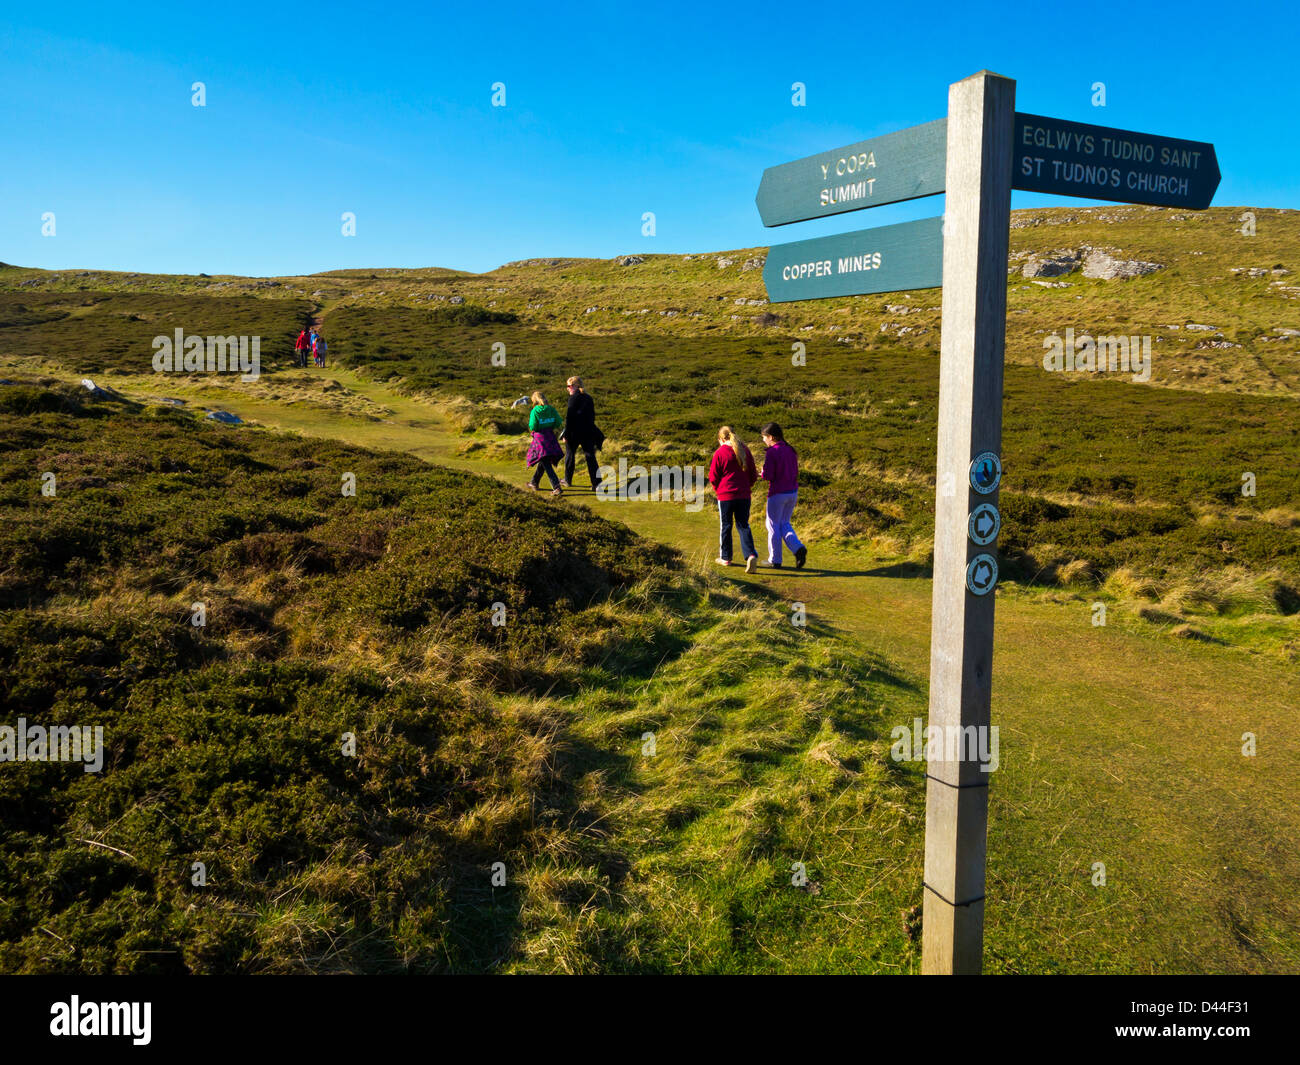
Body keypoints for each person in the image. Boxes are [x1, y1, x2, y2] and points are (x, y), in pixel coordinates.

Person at [707, 425, 758, 573]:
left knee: (726, 525)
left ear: (721, 439)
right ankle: (750, 555)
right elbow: (753, 474)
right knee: (743, 525)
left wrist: (718, 490)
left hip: (726, 496)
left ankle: (725, 557)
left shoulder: (720, 452)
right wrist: (747, 487)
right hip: (743, 495)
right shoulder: (745, 450)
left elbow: (713, 477)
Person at [758, 421, 806, 569]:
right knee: (784, 523)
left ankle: (775, 559)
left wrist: (762, 473)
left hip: (777, 492)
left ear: (771, 437)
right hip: (792, 491)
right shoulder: (790, 450)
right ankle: (798, 548)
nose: (764, 440)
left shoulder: (772, 452)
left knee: (772, 525)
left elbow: (769, 475)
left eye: (764, 437)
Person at [559, 376, 602, 489]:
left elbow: (569, 418)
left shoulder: (573, 398)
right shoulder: (588, 398)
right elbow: (592, 416)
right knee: (590, 457)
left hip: (574, 433)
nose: (567, 388)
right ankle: (597, 483)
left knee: (570, 455)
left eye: (569, 386)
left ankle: (567, 480)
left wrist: (566, 434)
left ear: (576, 386)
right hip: (588, 432)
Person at [525, 391, 564, 496]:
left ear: (535, 400)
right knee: (543, 459)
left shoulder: (535, 411)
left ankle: (557, 487)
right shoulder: (551, 409)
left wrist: (538, 428)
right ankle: (534, 482)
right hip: (550, 436)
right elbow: (558, 421)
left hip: (540, 439)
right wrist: (550, 426)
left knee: (545, 462)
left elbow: (533, 426)